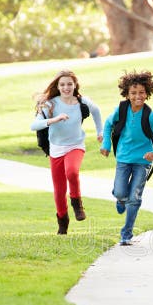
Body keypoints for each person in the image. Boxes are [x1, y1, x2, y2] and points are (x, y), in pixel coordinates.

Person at [100, 70, 153, 246]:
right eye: (133, 93)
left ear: (147, 93)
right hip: (124, 158)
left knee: (135, 197)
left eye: (141, 92)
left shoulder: (151, 116)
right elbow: (109, 124)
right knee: (120, 192)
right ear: (127, 94)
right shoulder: (121, 110)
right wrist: (106, 146)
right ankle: (120, 198)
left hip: (143, 161)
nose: (137, 96)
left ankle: (126, 233)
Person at [30, 70, 103, 235]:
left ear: (75, 85)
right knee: (59, 191)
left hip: (76, 145)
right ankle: (63, 221)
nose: (66, 87)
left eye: (69, 84)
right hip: (56, 149)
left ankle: (77, 204)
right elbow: (33, 125)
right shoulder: (51, 105)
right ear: (57, 86)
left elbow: (96, 110)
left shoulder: (82, 102)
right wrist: (53, 120)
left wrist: (100, 131)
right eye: (62, 84)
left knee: (71, 171)